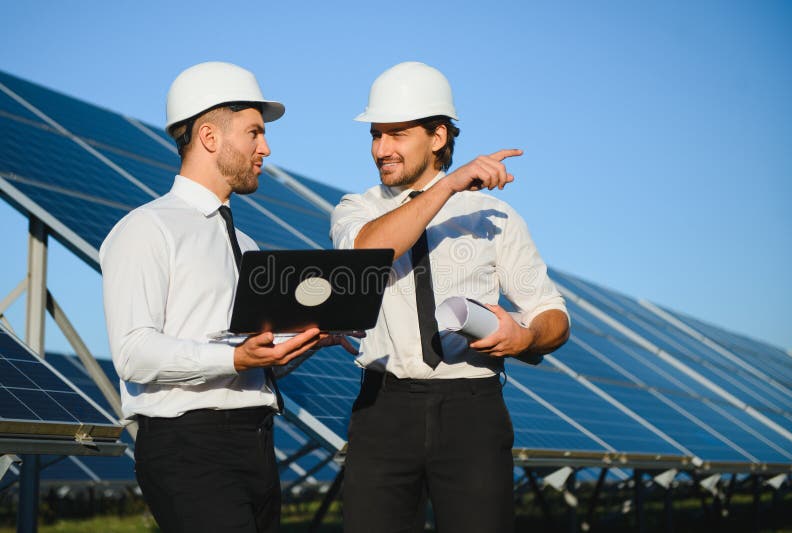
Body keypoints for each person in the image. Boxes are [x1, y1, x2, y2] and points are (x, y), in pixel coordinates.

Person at [101, 61, 353, 533]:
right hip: (188, 449)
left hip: (255, 444)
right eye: (254, 132)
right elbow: (133, 353)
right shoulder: (145, 229)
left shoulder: (248, 246)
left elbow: (257, 361)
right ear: (209, 137)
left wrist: (306, 341)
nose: (266, 147)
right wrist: (235, 359)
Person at [330, 61, 571, 533]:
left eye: (396, 134)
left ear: (438, 136)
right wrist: (449, 185)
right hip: (383, 410)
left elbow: (553, 315)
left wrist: (524, 338)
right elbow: (368, 253)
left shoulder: (492, 215)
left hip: (472, 410)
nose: (381, 149)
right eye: (376, 135)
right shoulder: (357, 209)